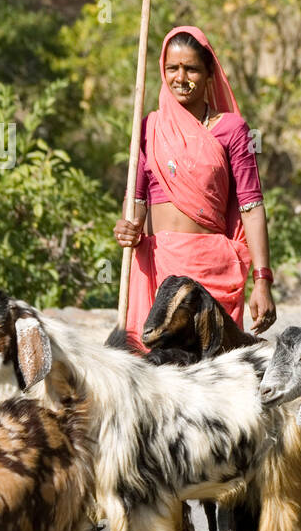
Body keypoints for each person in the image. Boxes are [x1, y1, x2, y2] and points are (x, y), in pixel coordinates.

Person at [113, 26, 275, 347]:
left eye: (192, 69)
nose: (181, 77)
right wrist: (128, 227)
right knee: (157, 372)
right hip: (158, 269)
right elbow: (137, 199)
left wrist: (262, 281)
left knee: (212, 372)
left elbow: (252, 208)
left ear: (209, 73)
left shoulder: (232, 129)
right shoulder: (149, 128)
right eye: (172, 68)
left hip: (211, 270)